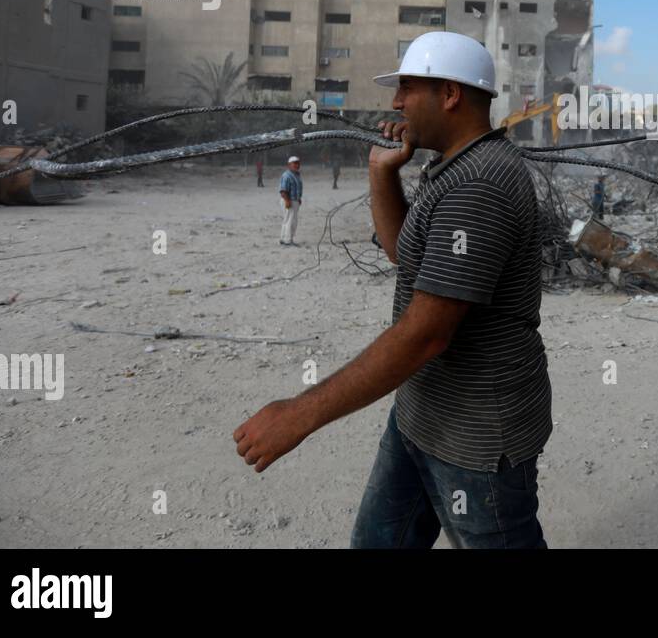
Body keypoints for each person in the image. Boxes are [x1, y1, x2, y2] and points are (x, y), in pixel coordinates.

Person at [233, 31, 550, 549]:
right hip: (421, 414)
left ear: (449, 94)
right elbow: (406, 256)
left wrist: (300, 414)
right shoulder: (456, 167)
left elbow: (426, 334)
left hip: (475, 436)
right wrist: (382, 172)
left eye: (407, 88)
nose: (396, 103)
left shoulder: (481, 185)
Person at [278, 156, 302, 246]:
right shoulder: (287, 175)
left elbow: (296, 189)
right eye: (294, 163)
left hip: (294, 200)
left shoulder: (296, 174)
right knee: (291, 221)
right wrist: (287, 201)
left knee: (288, 219)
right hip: (289, 200)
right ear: (289, 165)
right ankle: (288, 240)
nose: (297, 165)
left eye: (298, 163)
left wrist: (298, 199)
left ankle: (283, 238)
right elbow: (283, 190)